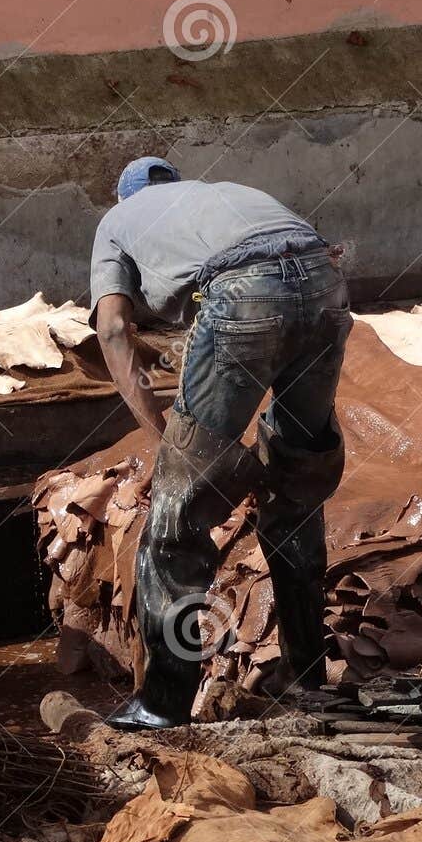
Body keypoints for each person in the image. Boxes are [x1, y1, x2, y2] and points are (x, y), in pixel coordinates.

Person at [90, 157, 350, 730]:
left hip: (244, 292)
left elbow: (112, 328)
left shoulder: (118, 220)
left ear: (124, 196)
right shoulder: (227, 192)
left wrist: (165, 440)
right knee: (298, 484)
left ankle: (162, 704)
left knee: (177, 512)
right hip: (326, 283)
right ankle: (306, 676)